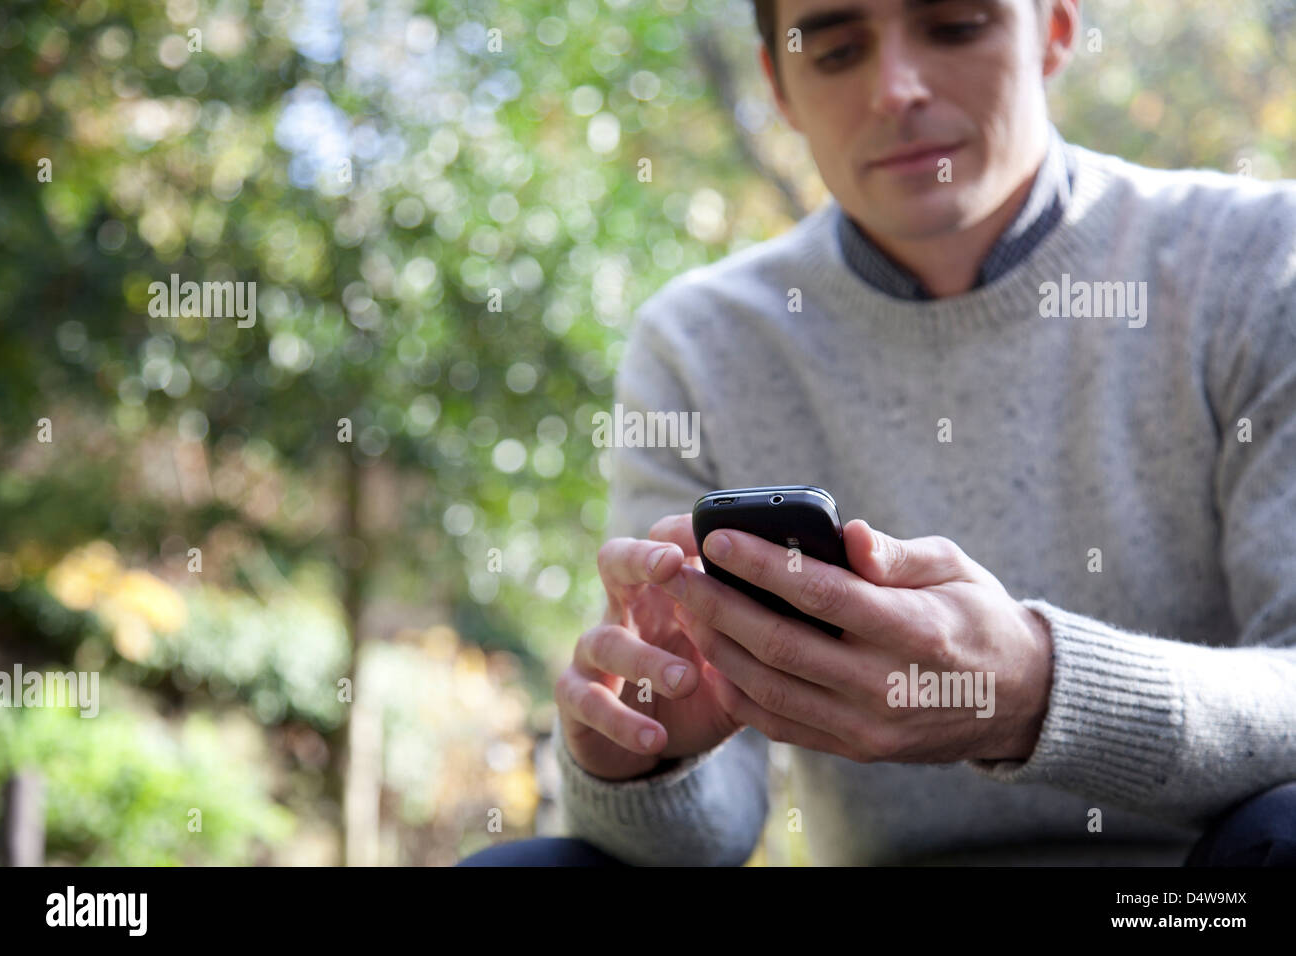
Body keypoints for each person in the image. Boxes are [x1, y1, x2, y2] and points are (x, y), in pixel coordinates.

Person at [460, 0, 1296, 866]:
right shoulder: (700, 341)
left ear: (1053, 29)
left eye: (957, 24)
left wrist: (1038, 694)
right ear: (779, 89)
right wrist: (644, 764)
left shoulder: (1257, 261)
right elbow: (701, 835)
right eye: (835, 49)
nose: (895, 89)